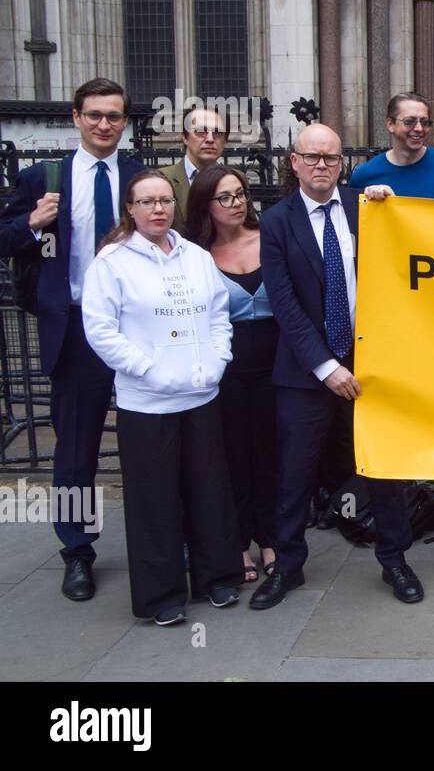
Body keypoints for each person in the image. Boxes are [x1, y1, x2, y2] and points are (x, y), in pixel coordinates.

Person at [251, 124, 424, 609]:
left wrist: (393, 206)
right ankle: (287, 566)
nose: (323, 164)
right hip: (307, 372)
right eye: (313, 157)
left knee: (382, 466)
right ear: (295, 162)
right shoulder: (277, 222)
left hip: (369, 366)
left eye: (331, 157)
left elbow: (400, 265)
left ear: (342, 162)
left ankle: (395, 559)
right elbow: (284, 305)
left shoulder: (365, 208)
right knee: (295, 472)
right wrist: (326, 367)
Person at [0, 77, 145, 602]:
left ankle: (159, 545)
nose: (104, 124)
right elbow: (5, 235)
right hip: (78, 327)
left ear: (125, 122)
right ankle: (76, 552)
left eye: (114, 116)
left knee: (151, 442)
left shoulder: (138, 177)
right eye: (95, 115)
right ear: (76, 118)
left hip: (139, 329)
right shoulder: (45, 176)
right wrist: (33, 224)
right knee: (76, 448)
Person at [80, 170, 242, 625]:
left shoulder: (194, 255)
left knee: (210, 491)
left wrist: (218, 360)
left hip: (202, 393)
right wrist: (150, 369)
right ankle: (161, 596)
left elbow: (217, 315)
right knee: (155, 501)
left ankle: (218, 576)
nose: (158, 209)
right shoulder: (112, 263)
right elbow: (101, 331)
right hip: (147, 403)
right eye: (147, 202)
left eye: (166, 201)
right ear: (129, 209)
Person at [187, 165, 279, 582]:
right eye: (225, 197)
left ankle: (273, 539)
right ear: (206, 205)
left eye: (240, 193)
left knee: (271, 455)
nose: (237, 202)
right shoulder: (193, 255)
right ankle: (239, 543)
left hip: (276, 364)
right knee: (232, 457)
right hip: (226, 369)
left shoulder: (271, 239)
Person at [348, 92, 434, 201]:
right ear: (390, 124)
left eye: (424, 122)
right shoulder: (364, 175)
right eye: (409, 122)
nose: (419, 128)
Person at [159, 106, 227, 234]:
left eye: (217, 133)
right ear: (185, 137)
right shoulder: (162, 179)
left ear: (225, 140)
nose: (210, 139)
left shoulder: (236, 180)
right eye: (201, 131)